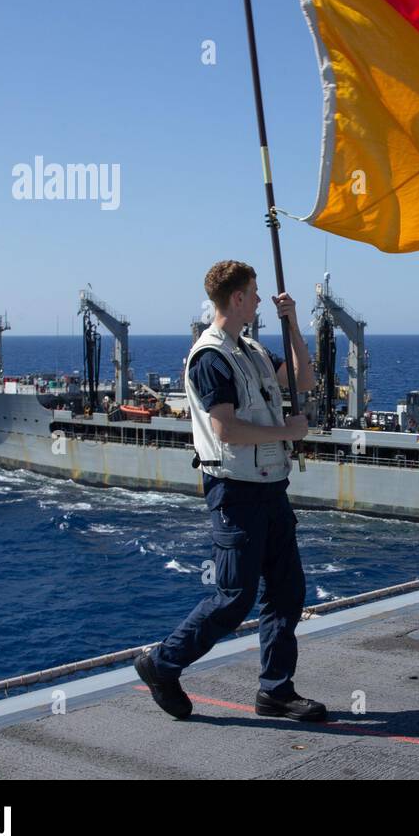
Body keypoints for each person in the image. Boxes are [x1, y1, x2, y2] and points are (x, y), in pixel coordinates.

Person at [134, 260, 325, 721]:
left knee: (286, 591)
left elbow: (304, 380)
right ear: (237, 299)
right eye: (255, 293)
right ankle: (162, 664)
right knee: (234, 596)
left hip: (269, 489)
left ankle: (275, 691)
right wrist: (287, 432)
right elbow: (226, 430)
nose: (261, 300)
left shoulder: (253, 350)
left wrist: (293, 324)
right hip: (234, 493)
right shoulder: (211, 357)